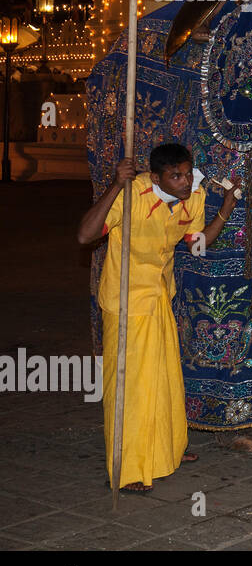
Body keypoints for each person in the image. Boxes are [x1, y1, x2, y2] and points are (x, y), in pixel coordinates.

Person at [76, 144, 241, 492]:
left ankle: (166, 450)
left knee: (163, 381)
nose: (184, 182)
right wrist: (115, 185)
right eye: (175, 176)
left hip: (159, 300)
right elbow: (85, 234)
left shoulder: (192, 198)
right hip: (126, 304)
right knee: (130, 391)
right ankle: (129, 470)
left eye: (186, 173)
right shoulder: (131, 194)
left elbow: (197, 245)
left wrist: (224, 210)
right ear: (155, 178)